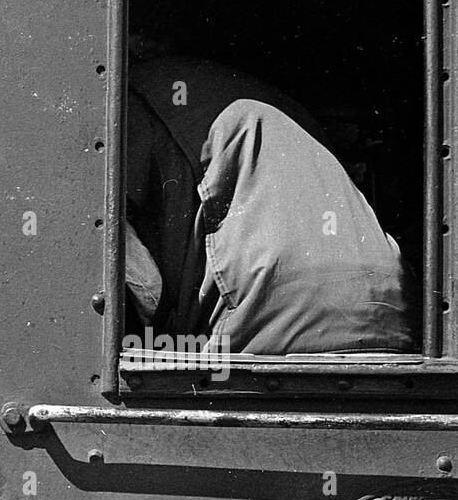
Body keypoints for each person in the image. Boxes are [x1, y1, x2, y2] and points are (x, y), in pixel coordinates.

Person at [124, 51, 419, 355]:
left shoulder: (123, 99)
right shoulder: (253, 93)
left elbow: (145, 286)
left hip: (265, 313)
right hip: (387, 305)